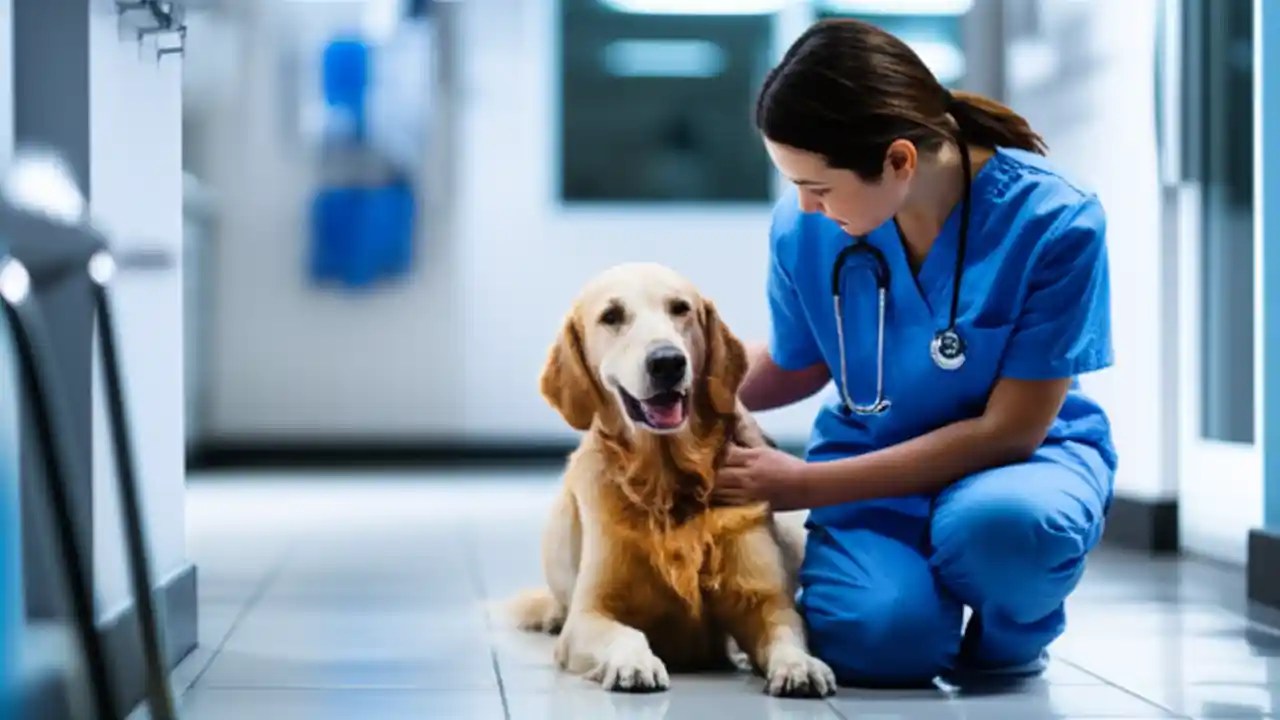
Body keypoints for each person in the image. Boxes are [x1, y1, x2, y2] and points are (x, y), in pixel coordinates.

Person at [712, 18, 1117, 689]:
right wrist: (677, 388)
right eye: (794, 184)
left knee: (1004, 529)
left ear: (899, 161)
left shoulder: (1054, 219)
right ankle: (910, 601)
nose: (805, 206)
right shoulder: (805, 228)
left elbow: (1010, 429)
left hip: (1019, 466)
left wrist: (801, 484)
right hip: (871, 461)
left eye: (818, 184)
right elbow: (798, 361)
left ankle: (1010, 637)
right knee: (882, 640)